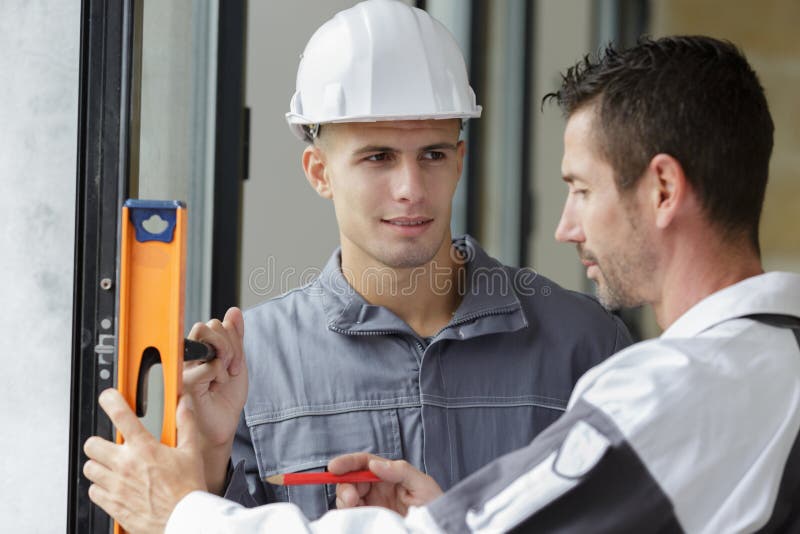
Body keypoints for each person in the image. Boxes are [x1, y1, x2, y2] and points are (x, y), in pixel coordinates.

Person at [84, 33, 800, 533]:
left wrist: (181, 516)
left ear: (459, 159)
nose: (409, 188)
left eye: (432, 154)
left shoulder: (614, 359)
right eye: (375, 158)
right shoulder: (251, 359)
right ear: (319, 172)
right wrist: (203, 469)